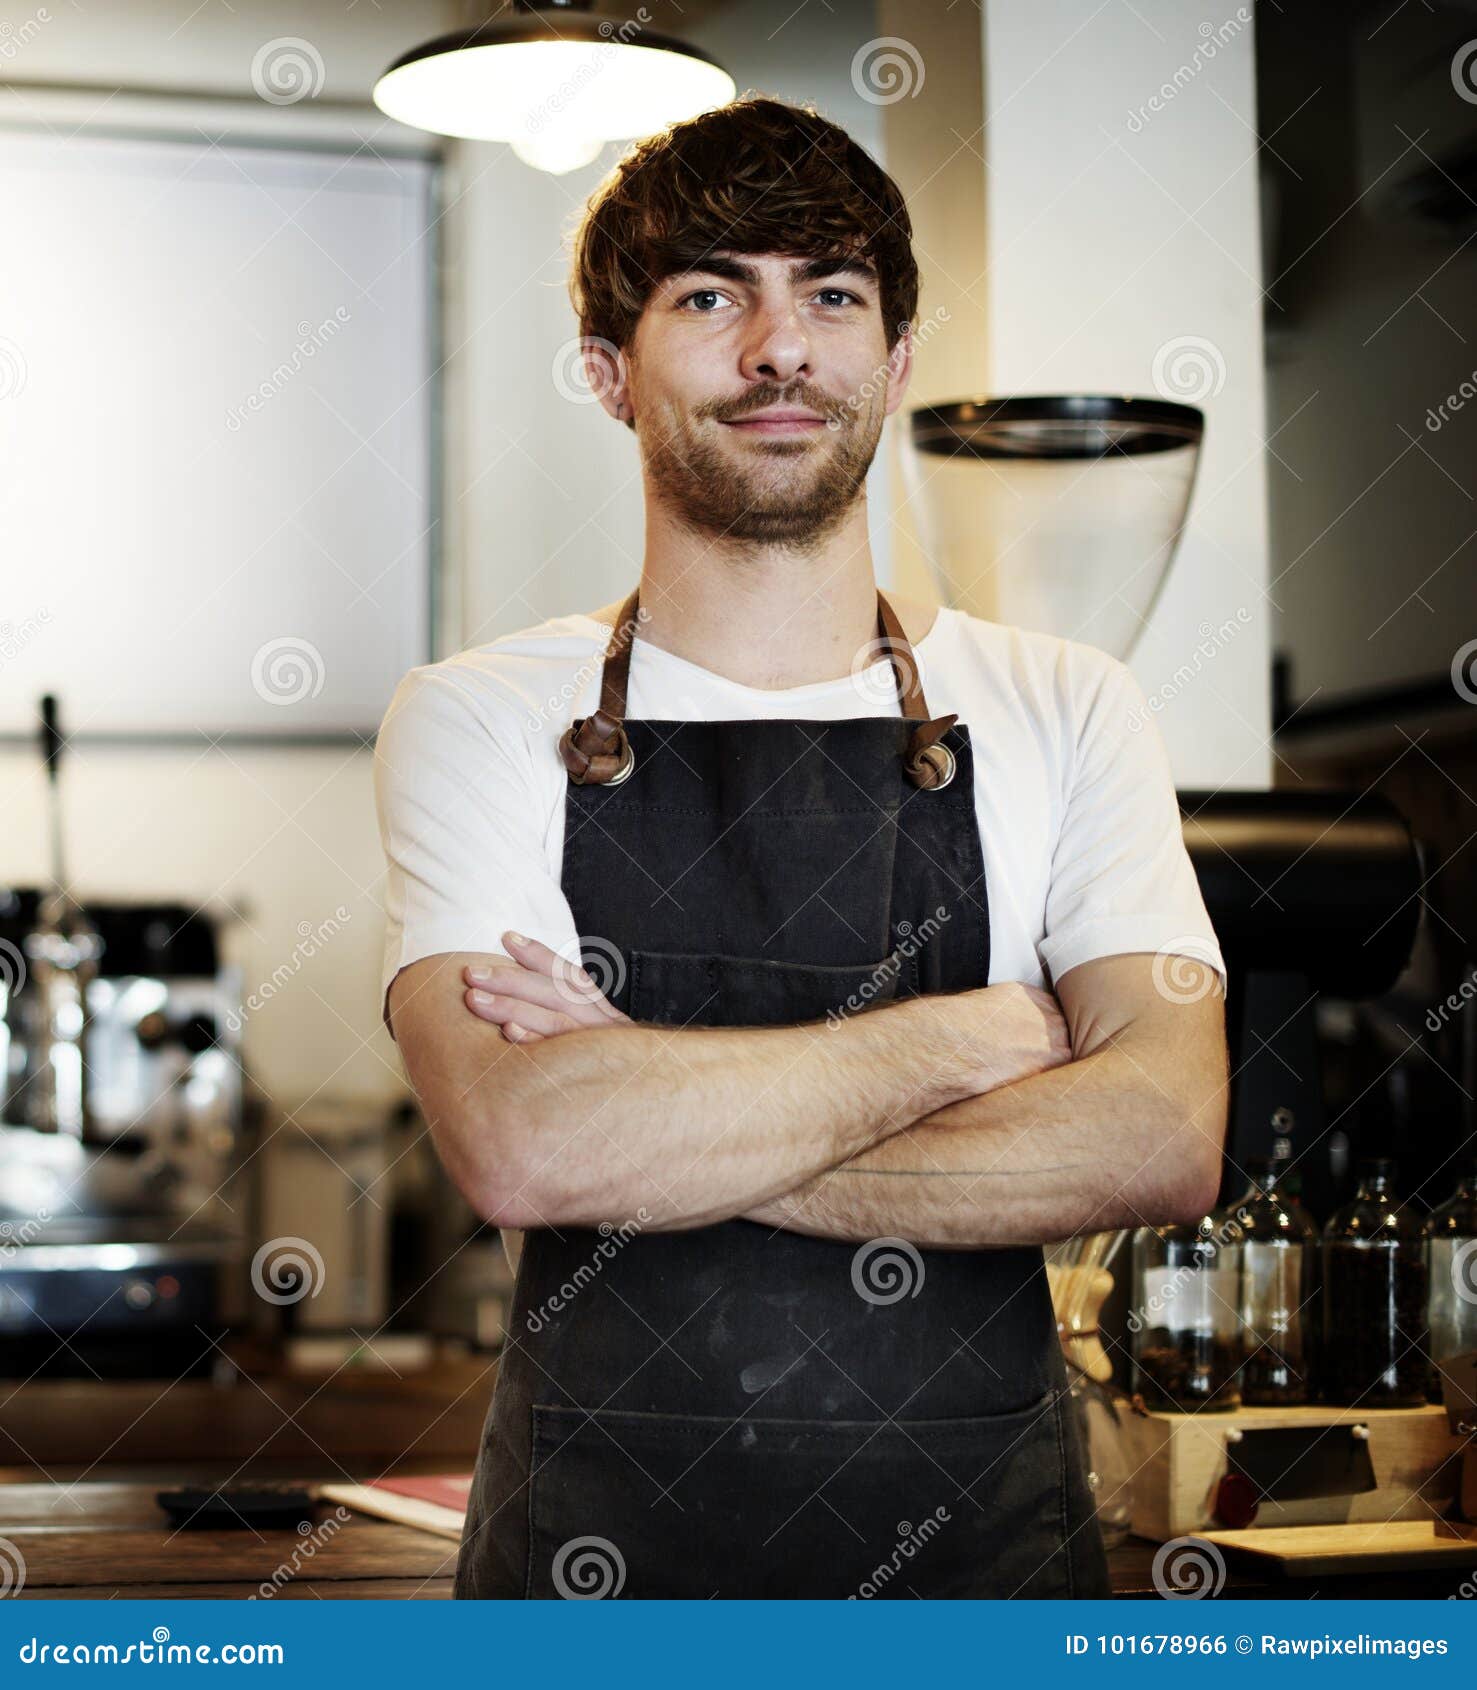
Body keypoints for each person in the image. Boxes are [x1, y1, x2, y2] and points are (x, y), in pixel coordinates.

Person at [374, 95, 1229, 1600]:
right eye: (711, 296)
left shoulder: (1065, 705)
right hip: (596, 1574)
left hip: (980, 1582)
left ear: (893, 362)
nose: (781, 348)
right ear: (605, 372)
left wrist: (648, 1093)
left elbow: (1161, 1138)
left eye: (830, 296)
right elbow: (523, 1145)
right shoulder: (476, 715)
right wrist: (975, 1038)